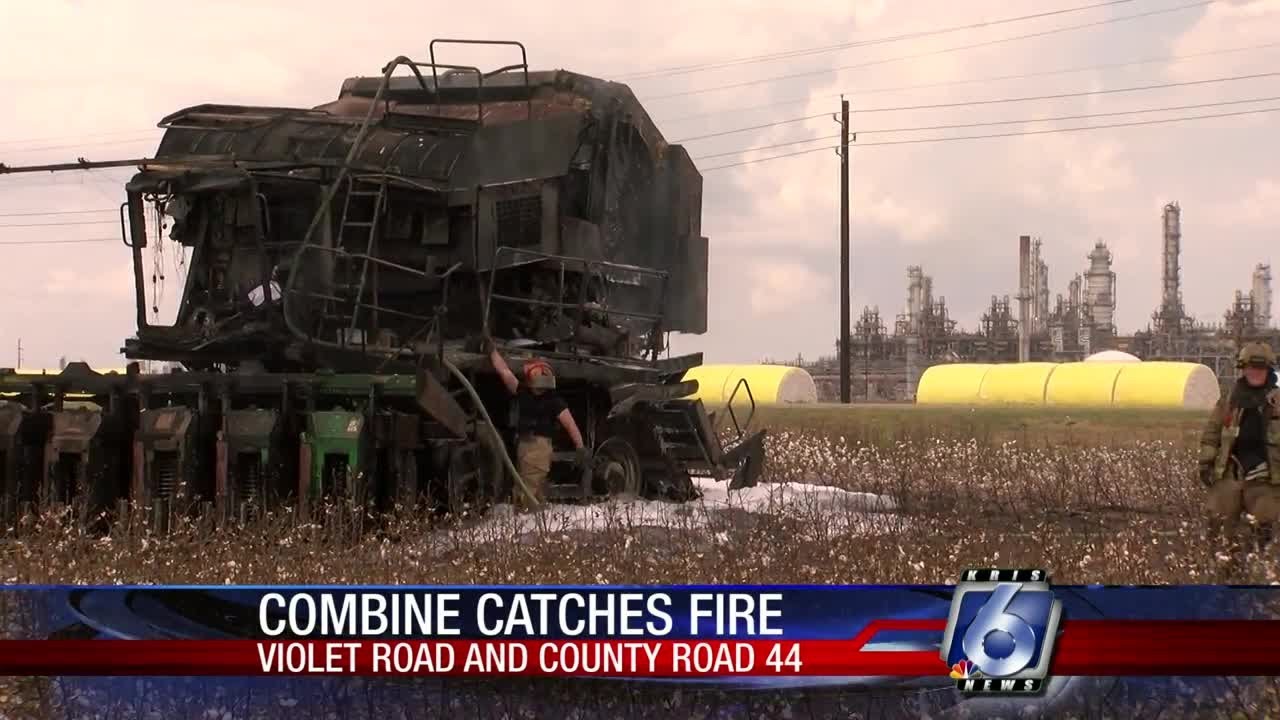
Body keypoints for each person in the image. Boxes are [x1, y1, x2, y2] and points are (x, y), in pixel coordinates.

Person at [485, 338, 589, 510]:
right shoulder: (552, 400)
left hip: (536, 448)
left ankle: (528, 518)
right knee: (533, 488)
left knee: (526, 491)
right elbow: (570, 425)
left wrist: (493, 353)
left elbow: (505, 372)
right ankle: (539, 518)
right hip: (529, 446)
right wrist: (579, 447)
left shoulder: (529, 395)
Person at [1198, 341, 1280, 557]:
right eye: (1250, 367)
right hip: (1230, 472)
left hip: (1268, 478)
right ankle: (1226, 571)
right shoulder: (1230, 400)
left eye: (1260, 368)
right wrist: (1206, 462)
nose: (1255, 372)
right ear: (1243, 369)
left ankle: (1260, 571)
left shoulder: (1278, 401)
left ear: (1268, 369)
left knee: (1265, 532)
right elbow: (1212, 433)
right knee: (1220, 530)